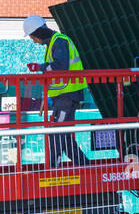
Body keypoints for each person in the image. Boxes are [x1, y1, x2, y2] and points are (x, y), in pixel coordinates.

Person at [22, 15, 89, 166]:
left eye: (33, 37)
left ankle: (53, 169)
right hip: (64, 96)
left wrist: (40, 67)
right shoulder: (54, 43)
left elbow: (60, 67)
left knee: (58, 134)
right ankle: (85, 167)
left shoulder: (59, 41)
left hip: (67, 96)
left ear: (38, 33)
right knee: (63, 136)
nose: (34, 41)